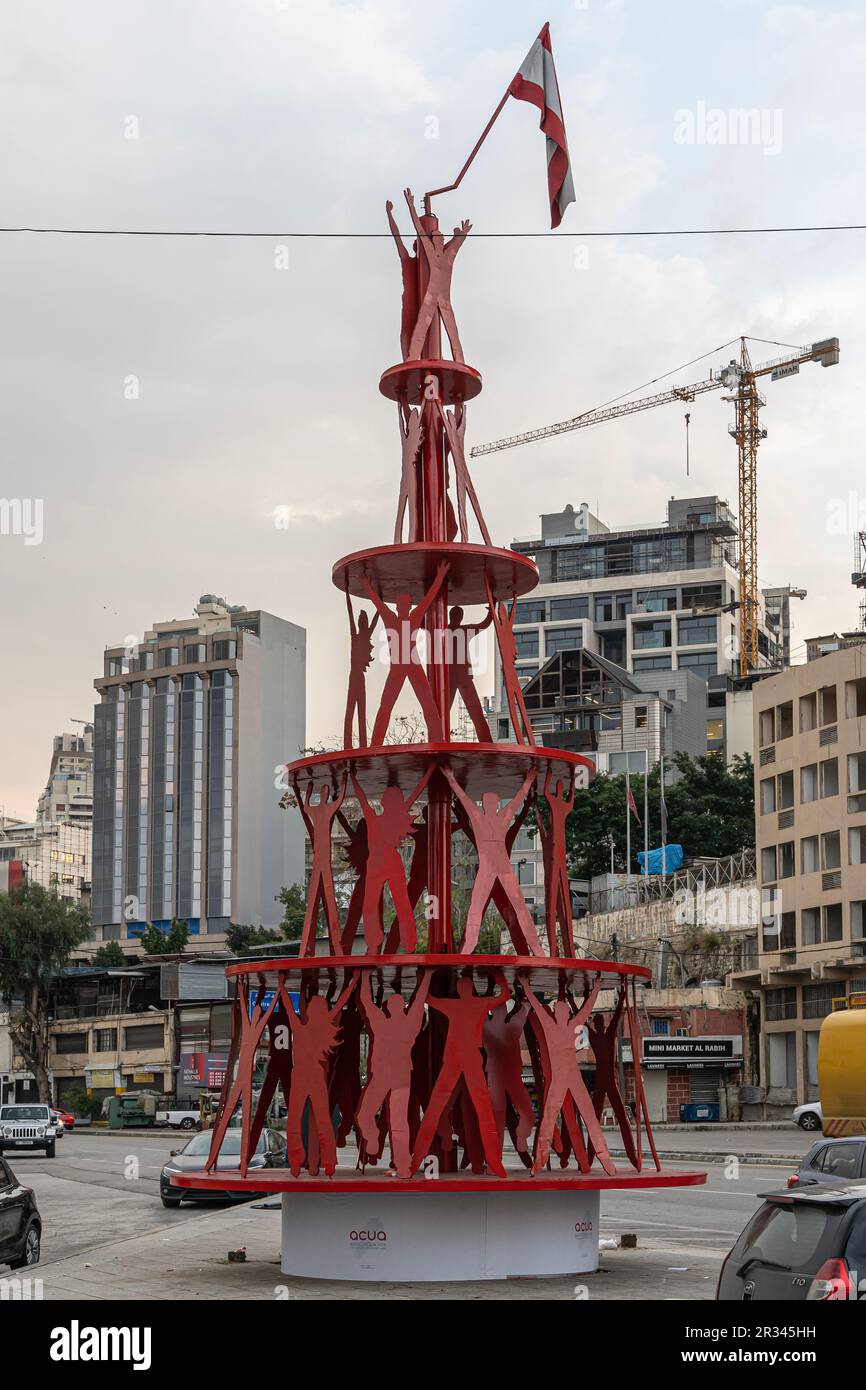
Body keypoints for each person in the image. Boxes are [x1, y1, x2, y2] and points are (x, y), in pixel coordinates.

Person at [411, 971, 510, 1178]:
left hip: (455, 1058)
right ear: (471, 989)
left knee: (434, 1109)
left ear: (458, 989)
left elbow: (429, 998)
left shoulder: (453, 1004)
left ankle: (414, 1163)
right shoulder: (479, 1004)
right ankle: (495, 1163)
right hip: (470, 1058)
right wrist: (498, 977)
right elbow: (505, 996)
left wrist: (424, 977)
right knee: (483, 1112)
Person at [520, 972, 616, 1178]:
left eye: (561, 1011)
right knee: (556, 1119)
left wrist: (596, 989)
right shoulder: (560, 1025)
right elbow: (582, 1009)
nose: (561, 1013)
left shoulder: (560, 1025)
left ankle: (605, 1159)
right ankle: (540, 1162)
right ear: (558, 1014)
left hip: (569, 1077)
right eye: (559, 1011)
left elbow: (585, 1009)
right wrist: (526, 988)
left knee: (575, 1117)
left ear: (561, 1014)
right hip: (564, 1078)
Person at [442, 765, 542, 954]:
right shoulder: (480, 816)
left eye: (493, 802)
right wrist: (451, 778)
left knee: (518, 907)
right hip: (489, 868)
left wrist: (528, 782)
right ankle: (468, 948)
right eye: (488, 802)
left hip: (501, 867)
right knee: (477, 908)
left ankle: (536, 948)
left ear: (495, 804)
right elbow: (464, 799)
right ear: (485, 804)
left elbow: (516, 801)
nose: (490, 805)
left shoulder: (497, 816)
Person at [363, 562, 449, 745]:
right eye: (402, 604)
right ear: (401, 607)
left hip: (406, 665)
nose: (403, 606)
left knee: (395, 704)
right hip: (405, 665)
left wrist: (367, 585)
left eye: (405, 603)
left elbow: (378, 602)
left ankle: (377, 743)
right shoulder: (407, 617)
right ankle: (437, 738)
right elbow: (427, 599)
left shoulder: (396, 617)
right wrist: (439, 577)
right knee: (415, 703)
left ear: (405, 606)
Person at [356, 970, 431, 1178]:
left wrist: (364, 977)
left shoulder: (380, 1022)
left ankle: (373, 1136)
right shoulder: (411, 1024)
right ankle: (403, 1165)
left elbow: (365, 1000)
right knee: (399, 1123)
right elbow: (420, 1000)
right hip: (401, 1077)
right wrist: (426, 977)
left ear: (387, 1008)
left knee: (365, 1115)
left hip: (382, 1075)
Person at [351, 767, 432, 952]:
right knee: (377, 905)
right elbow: (362, 799)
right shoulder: (377, 817)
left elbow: (415, 793)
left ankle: (402, 941)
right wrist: (428, 772)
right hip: (379, 863)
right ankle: (390, 941)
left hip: (385, 862)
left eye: (388, 797)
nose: (385, 799)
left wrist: (354, 779)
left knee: (391, 903)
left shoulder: (386, 818)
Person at [284, 977, 357, 1178]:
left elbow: (290, 1007)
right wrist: (351, 984)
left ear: (309, 1011)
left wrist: (283, 986)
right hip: (316, 1074)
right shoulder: (325, 1029)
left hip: (299, 1074)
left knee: (294, 1121)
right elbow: (340, 1004)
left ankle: (296, 1162)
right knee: (323, 1120)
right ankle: (329, 1162)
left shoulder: (298, 1027)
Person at [403, 188, 470, 362]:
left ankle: (459, 360)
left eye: (440, 238)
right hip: (431, 296)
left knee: (452, 332)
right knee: (421, 329)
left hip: (444, 298)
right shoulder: (431, 252)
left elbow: (457, 243)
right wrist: (411, 207)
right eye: (436, 238)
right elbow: (420, 229)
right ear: (433, 242)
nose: (438, 240)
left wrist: (463, 233)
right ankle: (413, 357)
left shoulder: (448, 255)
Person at [293, 775, 346, 953]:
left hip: (322, 860)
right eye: (324, 792)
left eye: (324, 792)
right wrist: (343, 782)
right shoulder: (324, 809)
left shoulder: (321, 809)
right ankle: (332, 949)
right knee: (320, 902)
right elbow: (338, 799)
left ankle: (333, 949)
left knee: (324, 901)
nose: (324, 795)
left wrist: (307, 790)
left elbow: (306, 806)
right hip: (320, 860)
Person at [444, 604, 493, 741]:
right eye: (457, 615)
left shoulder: (445, 631)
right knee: (474, 711)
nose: (458, 618)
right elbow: (484, 624)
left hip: (455, 677)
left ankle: (439, 739)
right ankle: (486, 742)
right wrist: (491, 610)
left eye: (458, 615)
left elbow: (484, 624)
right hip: (458, 676)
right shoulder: (462, 630)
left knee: (473, 711)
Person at [385, 198, 419, 361]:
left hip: (421, 301)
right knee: (407, 331)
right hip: (410, 301)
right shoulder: (407, 260)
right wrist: (389, 214)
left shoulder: (429, 267)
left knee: (411, 331)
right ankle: (408, 360)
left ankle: (410, 360)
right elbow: (397, 236)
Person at [343, 593, 379, 748]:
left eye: (362, 619)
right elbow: (350, 613)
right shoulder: (355, 636)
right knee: (350, 711)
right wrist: (347, 593)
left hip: (359, 678)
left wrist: (379, 603)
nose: (360, 621)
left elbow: (375, 621)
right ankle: (348, 745)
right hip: (354, 677)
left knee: (361, 712)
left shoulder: (365, 636)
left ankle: (363, 744)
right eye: (359, 619)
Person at [394, 406, 423, 543]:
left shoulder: (407, 438)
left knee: (404, 507)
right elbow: (402, 423)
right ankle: (411, 538)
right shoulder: (417, 436)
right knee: (412, 508)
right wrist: (400, 407)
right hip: (410, 474)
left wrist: (400, 407)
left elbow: (401, 424)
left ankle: (399, 539)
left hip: (406, 474)